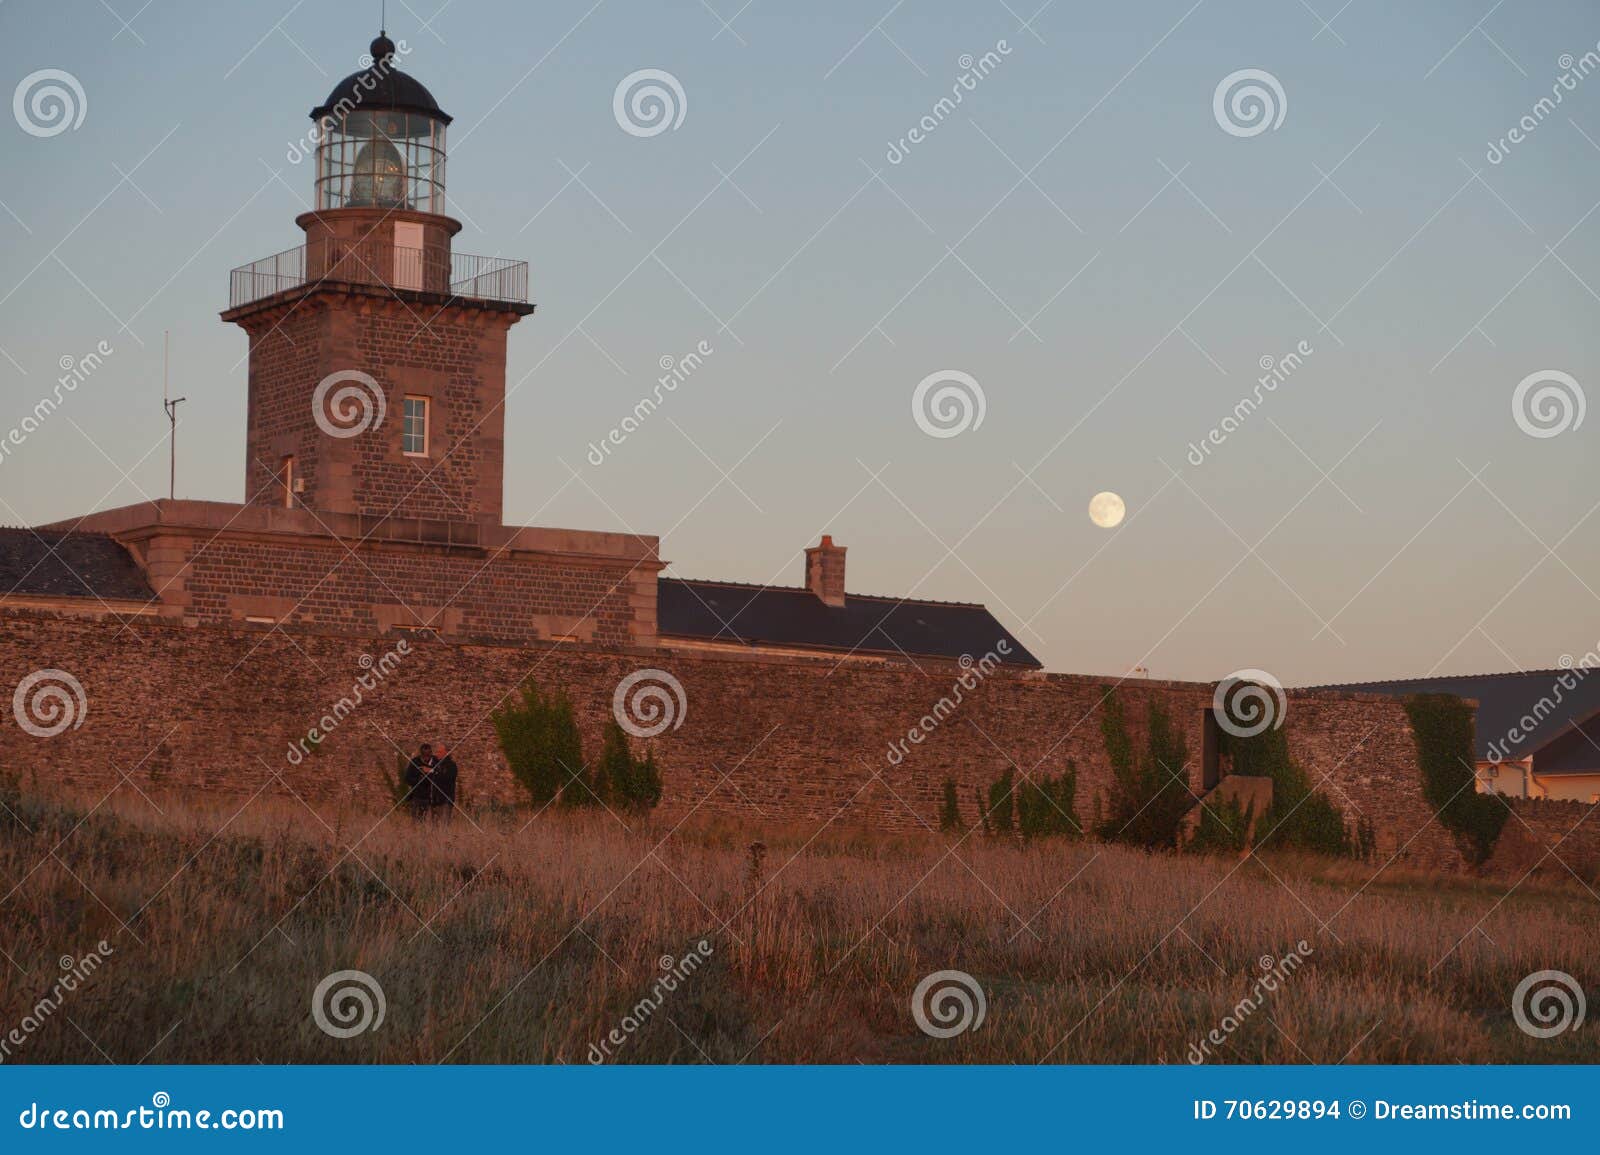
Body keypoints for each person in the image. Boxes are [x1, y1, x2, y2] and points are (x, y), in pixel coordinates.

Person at [402, 742, 439, 817]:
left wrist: (431, 771)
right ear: (421, 754)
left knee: (431, 822)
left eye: (428, 755)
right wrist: (418, 780)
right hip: (417, 796)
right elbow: (407, 778)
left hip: (432, 797)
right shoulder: (415, 762)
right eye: (424, 756)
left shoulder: (436, 762)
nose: (426, 758)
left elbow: (441, 775)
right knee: (416, 821)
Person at [432, 744, 459, 819]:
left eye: (440, 752)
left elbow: (447, 779)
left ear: (446, 753)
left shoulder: (451, 765)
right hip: (435, 801)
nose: (437, 754)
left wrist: (434, 772)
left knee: (444, 826)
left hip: (445, 800)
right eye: (437, 752)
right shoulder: (435, 765)